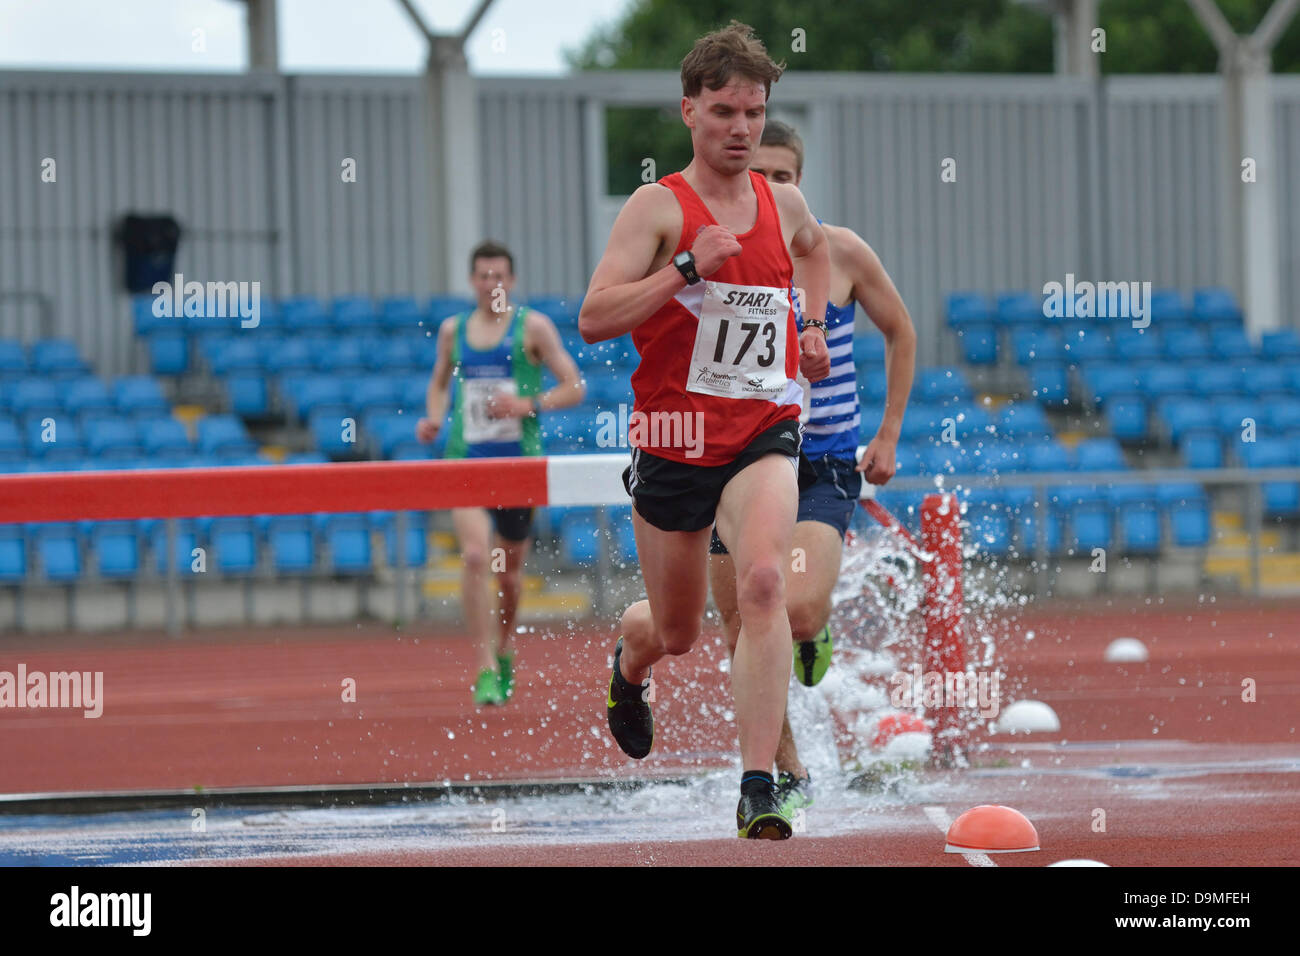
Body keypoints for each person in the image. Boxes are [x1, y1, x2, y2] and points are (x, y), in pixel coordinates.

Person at [578, 22, 832, 839]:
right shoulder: (658, 207)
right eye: (724, 111)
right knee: (679, 631)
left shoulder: (782, 200)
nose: (742, 129)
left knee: (762, 584)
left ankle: (759, 784)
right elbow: (593, 318)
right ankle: (629, 663)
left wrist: (815, 326)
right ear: (689, 111)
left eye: (755, 113)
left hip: (762, 429)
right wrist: (688, 268)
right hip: (674, 439)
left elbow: (815, 248)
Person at [708, 120, 917, 817]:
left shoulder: (843, 254)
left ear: (801, 182)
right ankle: (785, 773)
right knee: (738, 625)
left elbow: (901, 331)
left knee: (793, 607)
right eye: (757, 177)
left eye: (783, 177)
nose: (769, 188)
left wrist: (886, 434)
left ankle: (814, 628)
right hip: (736, 462)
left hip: (820, 463)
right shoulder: (725, 257)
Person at [417, 240, 585, 706]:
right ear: (472, 281)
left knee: (508, 575)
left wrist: (529, 404)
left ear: (512, 281)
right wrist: (433, 417)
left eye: (499, 277)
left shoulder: (533, 327)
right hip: (466, 461)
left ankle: (506, 647)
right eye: (483, 276)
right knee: (475, 558)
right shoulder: (454, 331)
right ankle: (485, 665)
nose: (491, 285)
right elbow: (438, 382)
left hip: (517, 465)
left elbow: (574, 386)